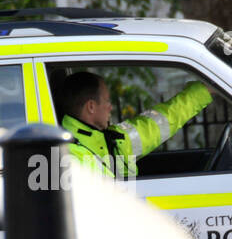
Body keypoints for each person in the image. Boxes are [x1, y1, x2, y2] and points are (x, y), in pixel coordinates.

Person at [56, 71, 213, 178]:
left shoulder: (109, 138)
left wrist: (203, 91)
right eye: (107, 101)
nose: (111, 107)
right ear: (91, 106)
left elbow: (158, 123)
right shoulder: (71, 155)